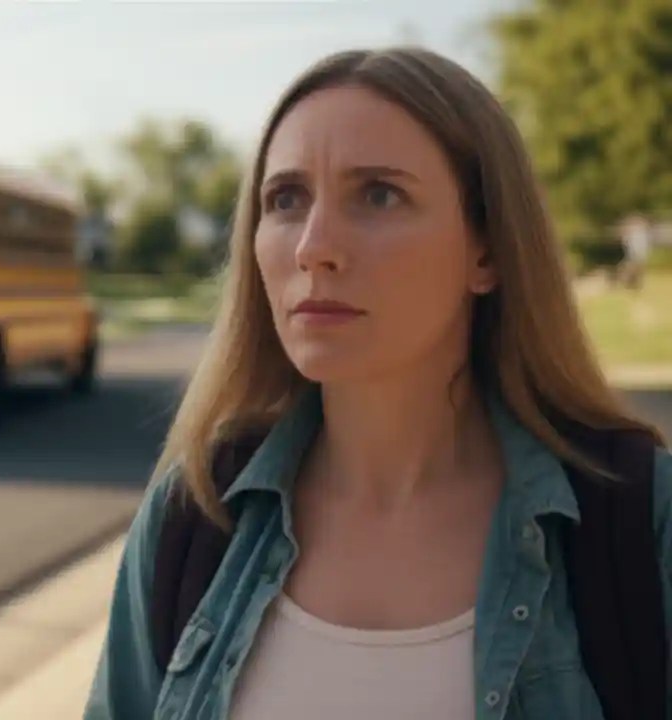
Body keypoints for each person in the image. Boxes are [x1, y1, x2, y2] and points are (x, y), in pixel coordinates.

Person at [83, 46, 672, 719]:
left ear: (487, 250)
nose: (313, 246)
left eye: (379, 194)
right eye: (286, 199)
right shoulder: (196, 517)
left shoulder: (636, 524)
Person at [619, 213, 653, 290]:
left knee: (635, 269)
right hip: (634, 254)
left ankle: (633, 283)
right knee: (632, 268)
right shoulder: (635, 235)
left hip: (637, 254)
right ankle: (630, 283)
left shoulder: (641, 234)